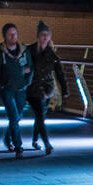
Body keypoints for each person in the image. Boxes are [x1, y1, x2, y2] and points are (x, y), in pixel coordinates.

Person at [0, 22, 33, 158]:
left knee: (17, 117)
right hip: (6, 89)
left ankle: (7, 139)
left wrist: (26, 82)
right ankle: (18, 147)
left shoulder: (24, 52)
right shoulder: (0, 54)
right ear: (5, 36)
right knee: (14, 116)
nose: (13, 36)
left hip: (21, 89)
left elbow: (31, 69)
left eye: (15, 33)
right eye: (10, 34)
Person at [25, 20, 67, 154]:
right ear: (38, 36)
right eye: (42, 34)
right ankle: (47, 144)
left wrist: (65, 89)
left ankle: (35, 140)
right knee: (39, 115)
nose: (44, 37)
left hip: (47, 90)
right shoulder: (29, 51)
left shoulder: (52, 54)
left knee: (40, 117)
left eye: (47, 35)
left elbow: (60, 73)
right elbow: (21, 65)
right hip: (32, 89)